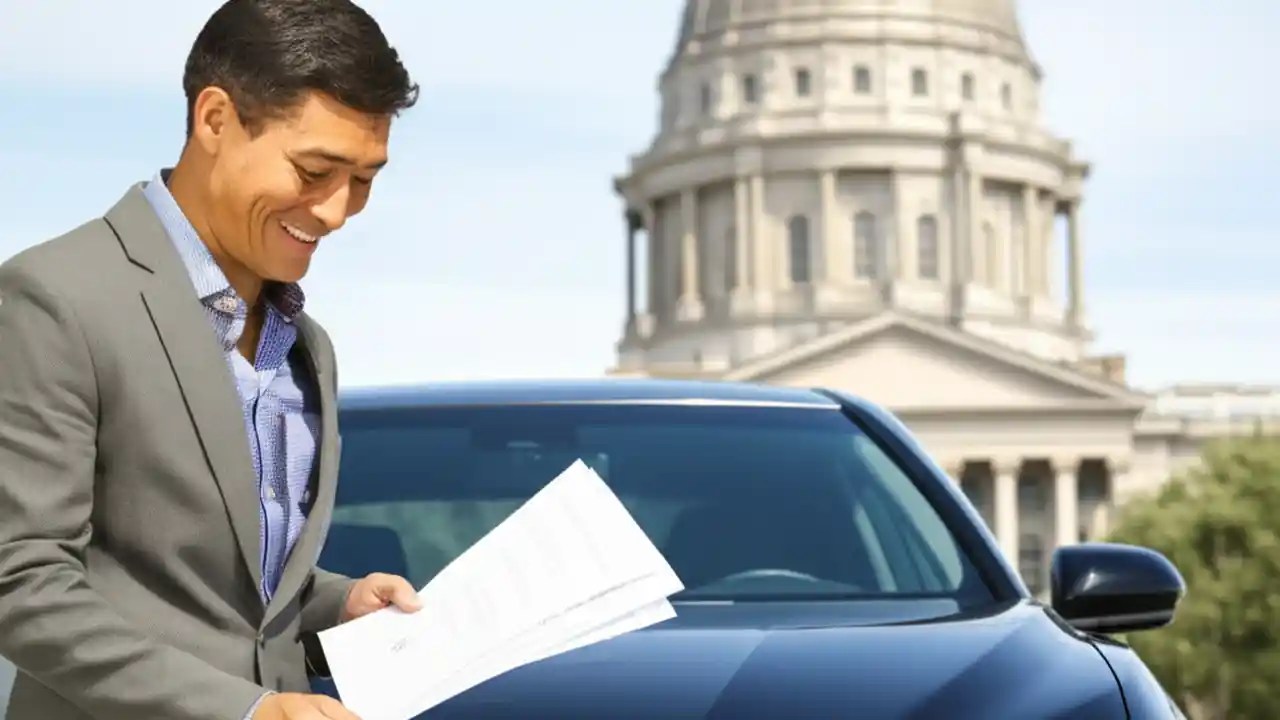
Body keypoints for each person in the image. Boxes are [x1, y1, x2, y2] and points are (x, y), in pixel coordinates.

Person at [0, 1, 423, 718]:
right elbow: (20, 580)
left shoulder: (306, 344)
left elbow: (219, 589)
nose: (336, 210)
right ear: (216, 119)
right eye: (316, 169)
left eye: (365, 179)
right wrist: (246, 711)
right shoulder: (55, 299)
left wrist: (336, 603)